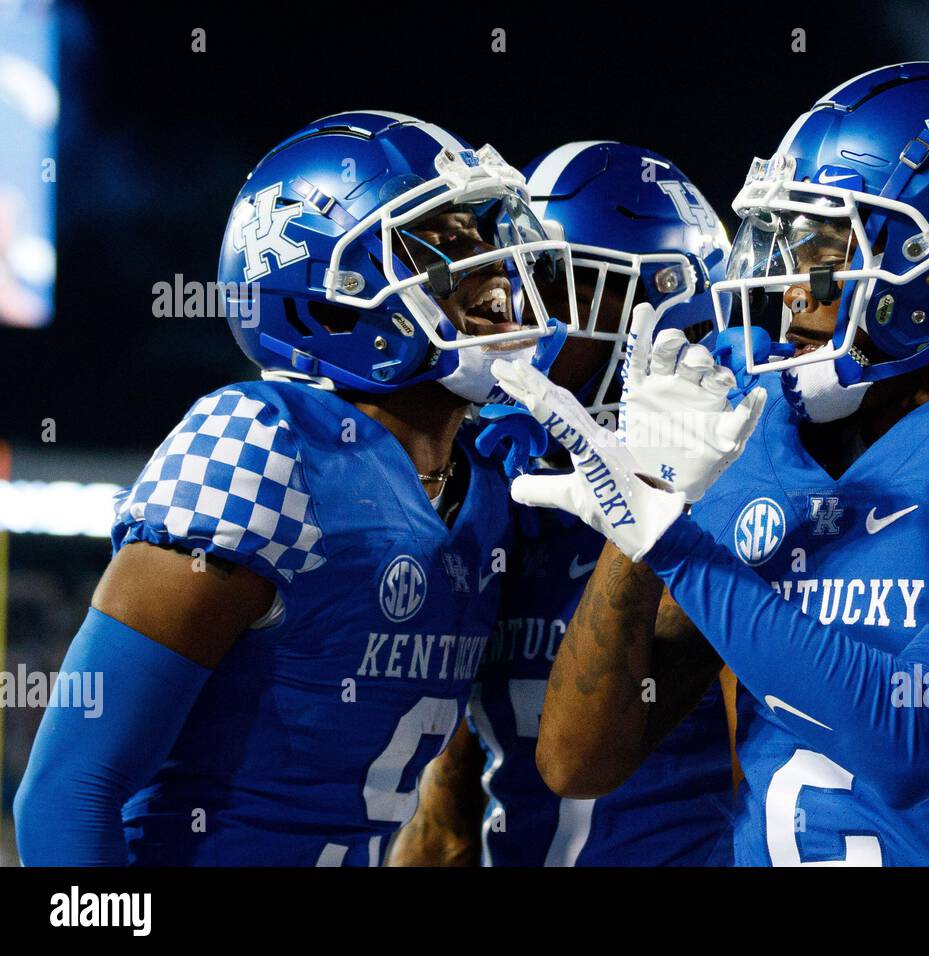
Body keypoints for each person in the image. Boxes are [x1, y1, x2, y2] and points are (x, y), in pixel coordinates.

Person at [490, 62, 929, 865]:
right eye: (784, 240)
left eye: (826, 244)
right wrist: (640, 517)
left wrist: (678, 548)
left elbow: (915, 738)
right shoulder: (758, 435)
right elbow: (580, 762)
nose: (791, 286)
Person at [14, 111, 572, 865]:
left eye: (482, 235)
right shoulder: (263, 447)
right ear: (330, 287)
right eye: (443, 240)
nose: (495, 265)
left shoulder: (489, 486)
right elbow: (69, 790)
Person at [387, 142, 736, 866]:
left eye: (551, 278)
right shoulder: (491, 486)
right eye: (510, 273)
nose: (517, 308)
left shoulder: (736, 501)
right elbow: (449, 810)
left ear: (662, 310)